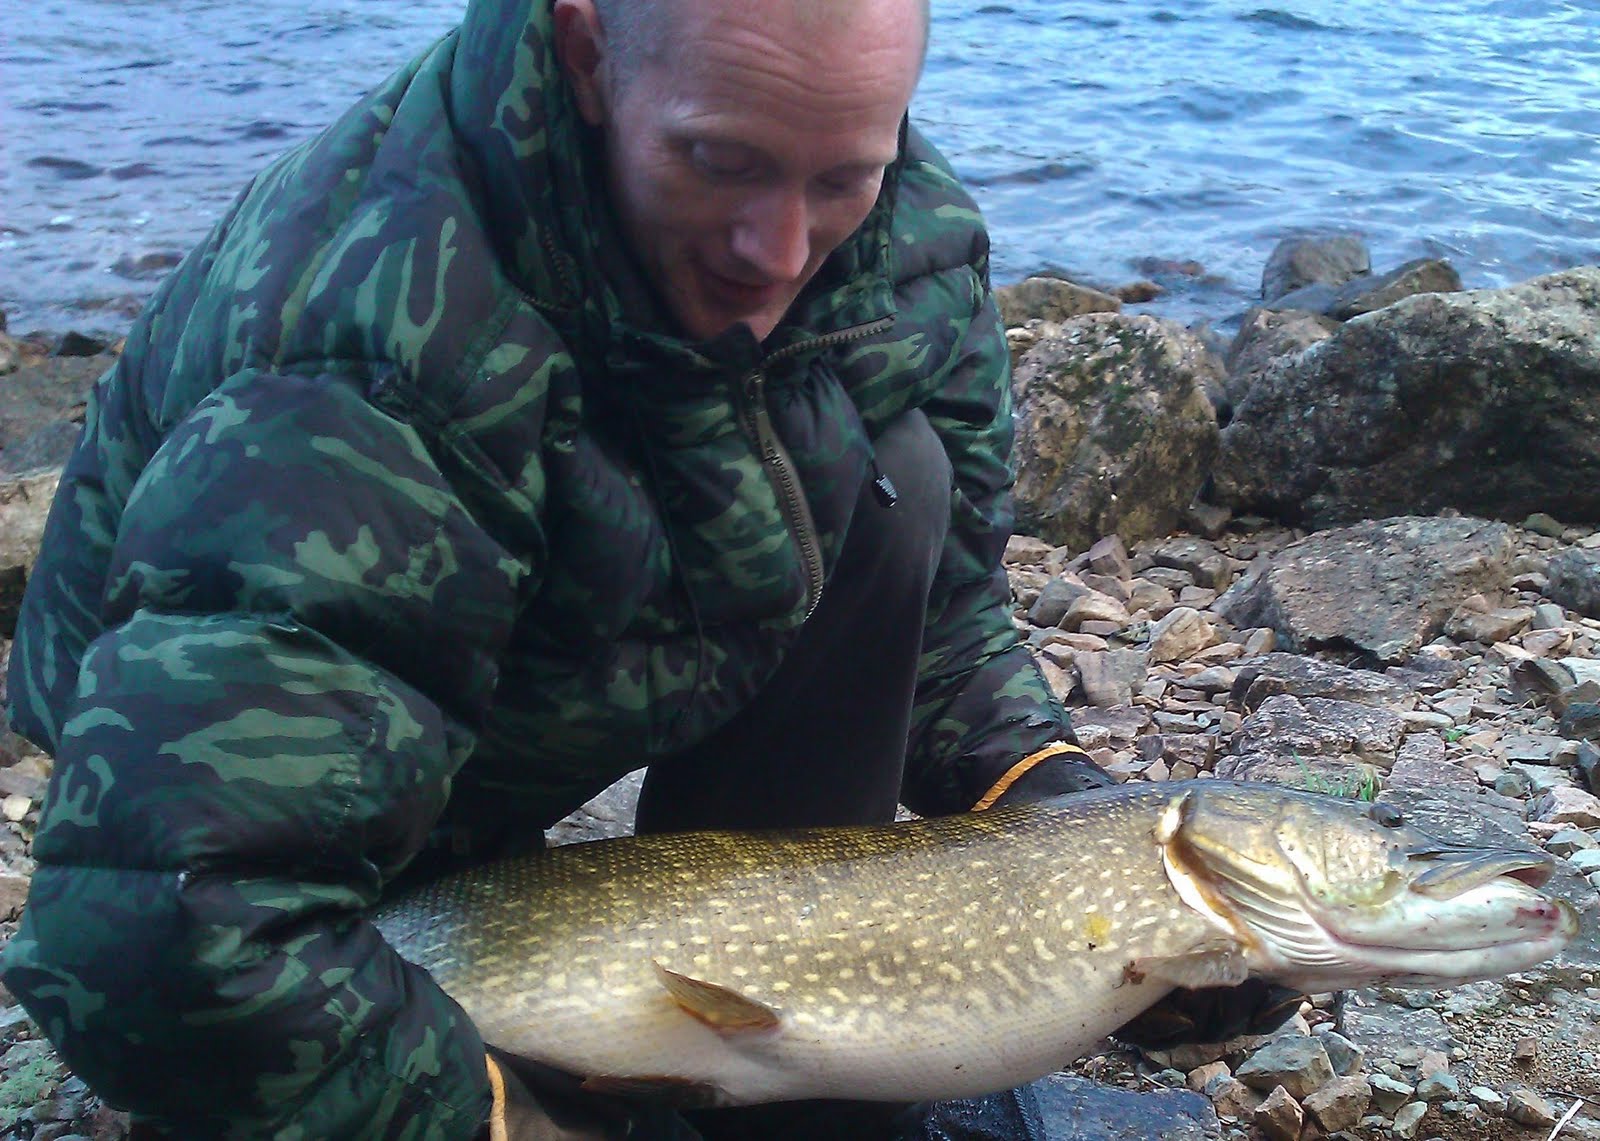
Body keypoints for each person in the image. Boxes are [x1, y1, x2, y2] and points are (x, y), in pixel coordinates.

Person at [0, 0, 1295, 1136]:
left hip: (534, 647)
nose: (781, 248)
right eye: (719, 164)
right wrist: (503, 1119)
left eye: (841, 177)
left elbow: (948, 614)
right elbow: (160, 927)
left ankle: (791, 1053)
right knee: (280, 1008)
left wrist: (1081, 828)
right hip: (273, 748)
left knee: (899, 469)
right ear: (586, 51)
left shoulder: (907, 239)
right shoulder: (372, 343)